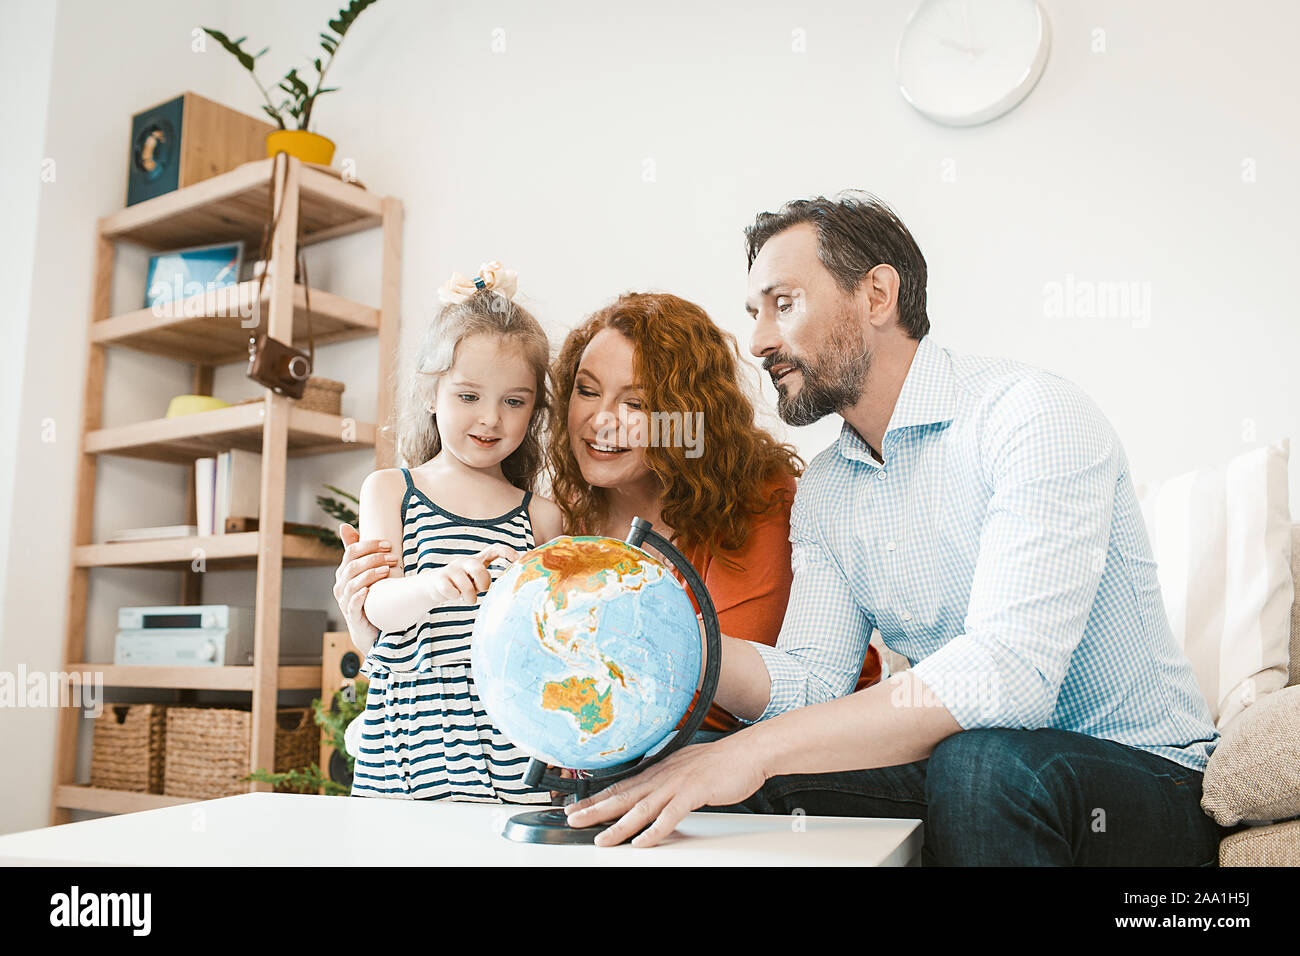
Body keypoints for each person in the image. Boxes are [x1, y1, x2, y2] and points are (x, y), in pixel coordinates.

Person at [561, 193, 1228, 866]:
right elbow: (811, 685)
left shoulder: (1029, 416)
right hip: (967, 771)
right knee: (700, 772)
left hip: (1144, 776)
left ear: (877, 294)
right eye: (754, 314)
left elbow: (1009, 675)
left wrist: (754, 752)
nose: (759, 341)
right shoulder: (828, 488)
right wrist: (672, 637)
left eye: (783, 304)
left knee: (979, 762)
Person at [334, 291, 882, 754]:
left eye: (636, 404)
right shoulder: (562, 513)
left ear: (683, 419)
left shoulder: (757, 499)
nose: (600, 421)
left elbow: (714, 705)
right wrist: (371, 630)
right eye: (587, 390)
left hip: (776, 759)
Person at [347, 263, 563, 804]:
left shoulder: (542, 516)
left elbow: (551, 637)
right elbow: (376, 606)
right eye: (469, 396)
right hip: (409, 741)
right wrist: (437, 585)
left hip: (511, 742)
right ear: (430, 393)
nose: (491, 419)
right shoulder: (390, 490)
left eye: (514, 401)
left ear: (534, 410)